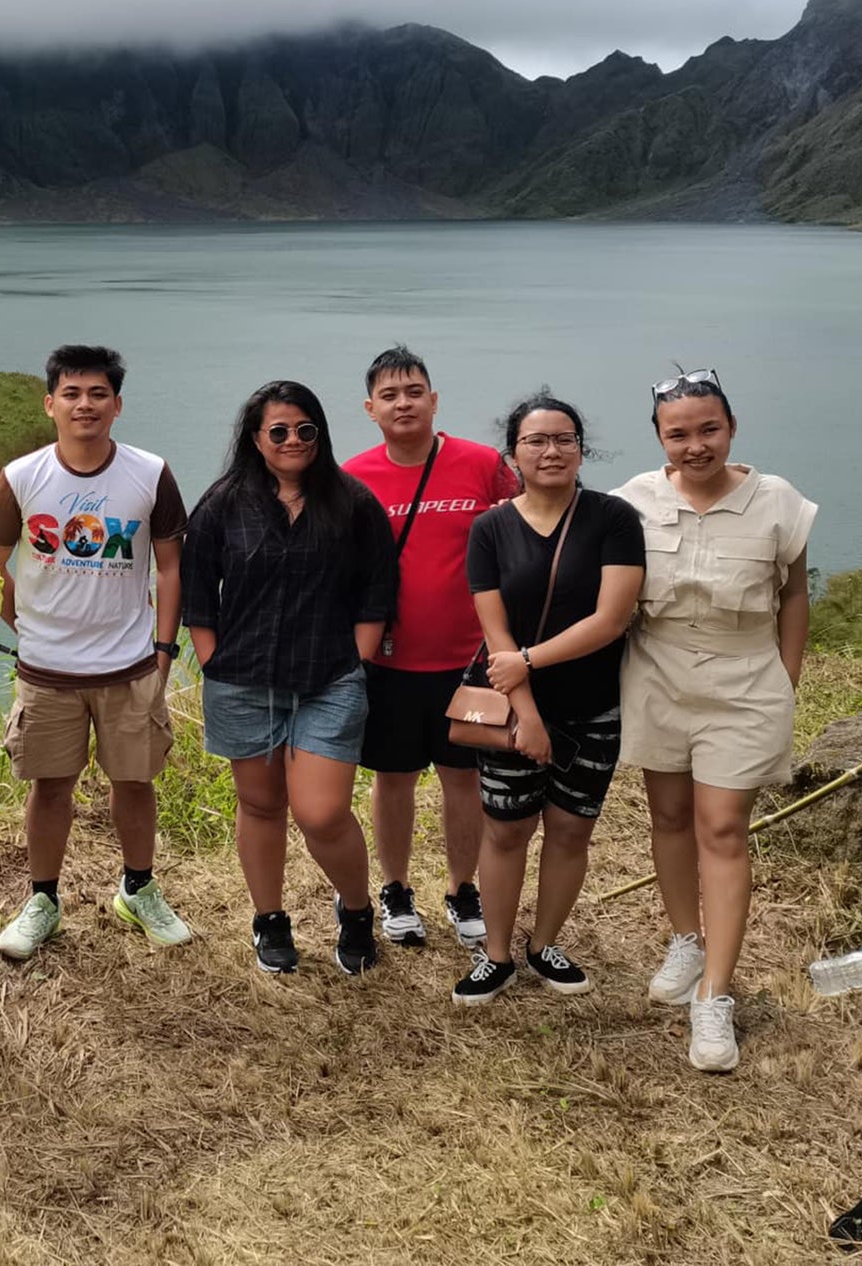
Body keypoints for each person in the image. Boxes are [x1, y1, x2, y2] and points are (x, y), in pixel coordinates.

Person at [614, 369, 815, 1073]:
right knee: (667, 817)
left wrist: (785, 680)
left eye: (709, 429)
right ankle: (684, 939)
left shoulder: (778, 502)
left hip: (745, 680)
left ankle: (715, 996)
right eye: (679, 433)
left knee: (722, 827)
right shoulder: (632, 501)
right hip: (657, 674)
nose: (695, 445)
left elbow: (794, 596)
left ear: (730, 429)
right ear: (660, 438)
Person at [0, 346, 194, 959]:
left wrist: (163, 649)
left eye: (98, 394)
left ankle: (138, 889)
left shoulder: (150, 472)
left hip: (129, 664)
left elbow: (171, 565)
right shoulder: (21, 477)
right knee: (50, 787)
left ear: (117, 405)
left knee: (135, 782)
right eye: (71, 394)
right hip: (47, 669)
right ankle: (43, 899)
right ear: (50, 404)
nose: (85, 405)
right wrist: (26, 625)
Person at [182, 380, 396, 976]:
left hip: (329, 679)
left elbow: (377, 591)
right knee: (259, 804)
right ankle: (269, 920)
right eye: (278, 431)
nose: (293, 440)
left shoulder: (352, 502)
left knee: (322, 813)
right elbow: (197, 594)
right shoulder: (224, 503)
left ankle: (356, 909)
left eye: (306, 430)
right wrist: (213, 660)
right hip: (242, 680)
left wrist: (357, 660)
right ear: (256, 438)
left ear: (320, 435)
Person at [452, 392, 644, 1007]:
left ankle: (545, 945)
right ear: (514, 453)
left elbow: (612, 619)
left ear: (581, 448)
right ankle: (499, 954)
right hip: (514, 709)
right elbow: (494, 631)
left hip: (593, 705)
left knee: (569, 831)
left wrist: (530, 661)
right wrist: (528, 715)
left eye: (563, 438)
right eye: (536, 440)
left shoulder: (614, 519)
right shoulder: (489, 528)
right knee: (506, 831)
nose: (551, 450)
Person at [344, 345, 522, 951]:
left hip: (470, 660)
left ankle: (461, 888)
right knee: (391, 779)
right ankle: (395, 888)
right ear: (370, 408)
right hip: (389, 660)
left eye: (414, 391)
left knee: (461, 777)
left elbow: (524, 527)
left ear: (433, 399)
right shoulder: (353, 476)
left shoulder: (480, 465)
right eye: (390, 395)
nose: (403, 403)